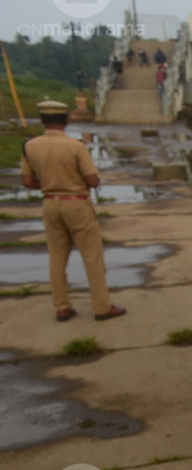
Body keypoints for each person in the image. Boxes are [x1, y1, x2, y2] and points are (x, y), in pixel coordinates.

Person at [19, 99, 126, 322]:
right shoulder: (76, 146)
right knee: (92, 257)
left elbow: (27, 181)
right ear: (66, 121)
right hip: (76, 202)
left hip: (50, 202)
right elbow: (93, 180)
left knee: (57, 257)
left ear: (42, 120)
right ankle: (101, 306)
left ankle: (62, 307)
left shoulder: (29, 146)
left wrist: (50, 184)